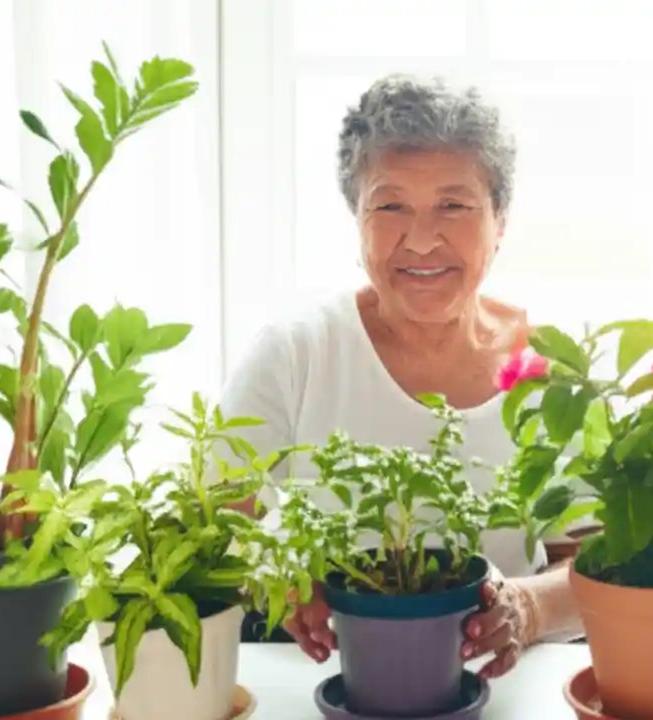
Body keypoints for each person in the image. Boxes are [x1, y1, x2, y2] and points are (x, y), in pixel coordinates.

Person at [217, 74, 581, 679]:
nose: (421, 239)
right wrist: (280, 578)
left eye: (454, 205)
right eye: (390, 206)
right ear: (356, 217)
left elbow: (598, 564)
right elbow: (213, 522)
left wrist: (529, 607)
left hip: (508, 690)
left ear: (501, 220)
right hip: (325, 681)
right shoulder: (296, 353)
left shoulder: (551, 372)